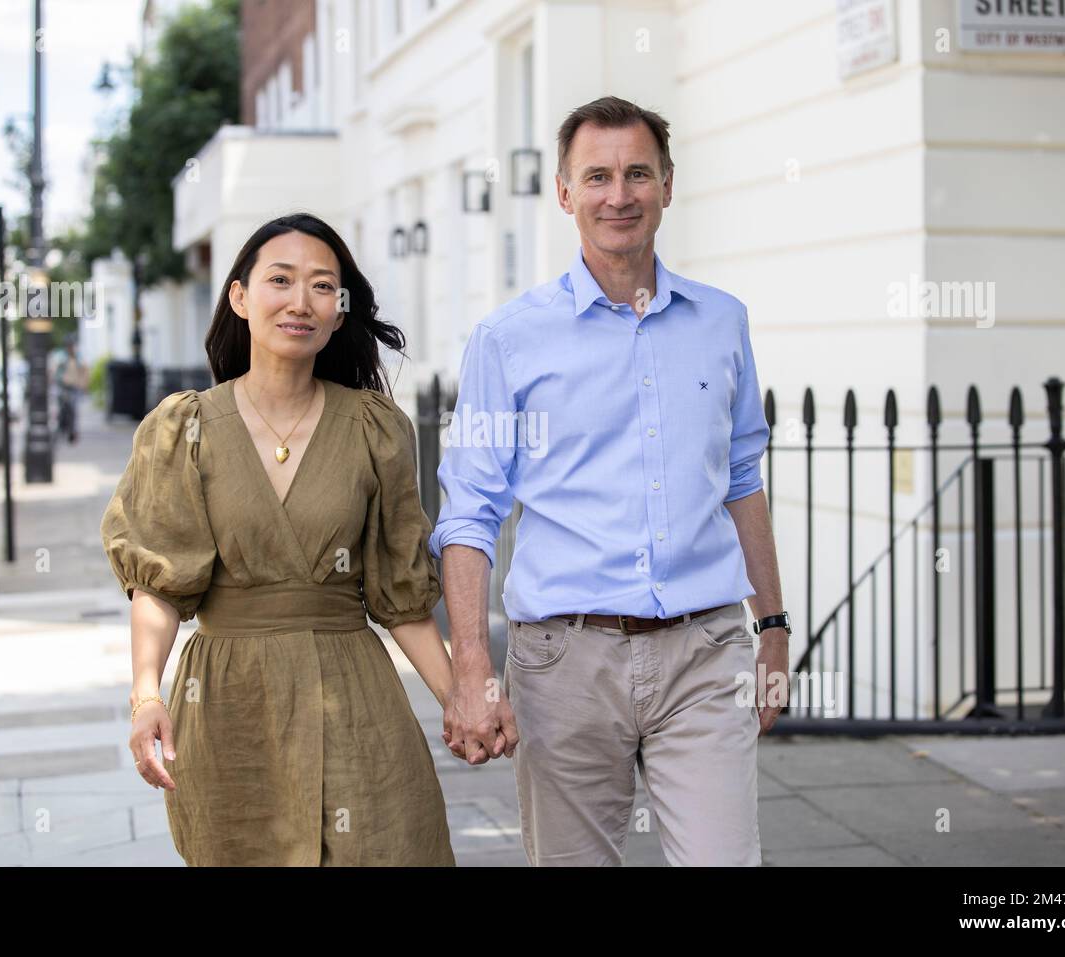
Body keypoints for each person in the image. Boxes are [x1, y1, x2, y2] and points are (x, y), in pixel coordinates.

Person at [432, 96, 792, 866]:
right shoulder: (509, 340)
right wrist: (472, 670)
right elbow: (469, 513)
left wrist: (774, 630)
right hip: (565, 663)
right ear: (564, 193)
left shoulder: (722, 322)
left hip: (705, 649)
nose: (618, 194)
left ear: (667, 183)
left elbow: (739, 478)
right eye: (596, 176)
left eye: (636, 173)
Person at [100, 213, 456, 866]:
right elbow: (158, 583)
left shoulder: (375, 429)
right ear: (239, 296)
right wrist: (146, 694)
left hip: (356, 697)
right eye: (280, 280)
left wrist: (461, 698)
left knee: (391, 844)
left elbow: (401, 595)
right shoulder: (184, 430)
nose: (300, 301)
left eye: (322, 286)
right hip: (230, 705)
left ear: (341, 309)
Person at [56, 338, 88, 443]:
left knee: (73, 409)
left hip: (74, 388)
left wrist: (82, 384)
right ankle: (64, 428)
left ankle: (72, 432)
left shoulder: (78, 359)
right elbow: (57, 373)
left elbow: (84, 371)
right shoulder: (63, 359)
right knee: (64, 409)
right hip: (65, 387)